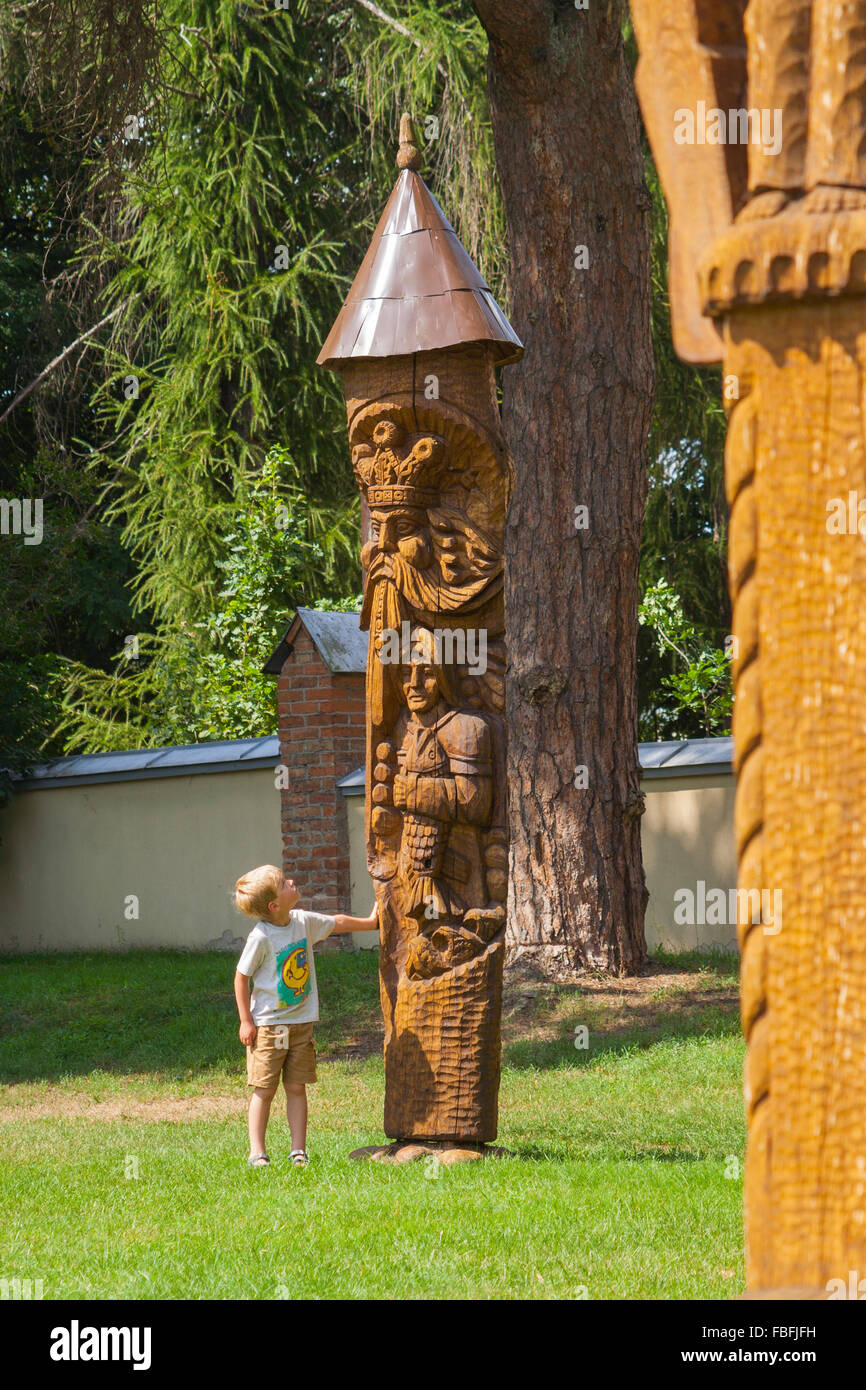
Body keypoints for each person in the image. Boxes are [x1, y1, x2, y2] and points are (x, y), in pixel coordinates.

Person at [232, 865, 378, 1168]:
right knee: (265, 1089)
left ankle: (298, 1150)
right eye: (284, 883)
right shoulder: (261, 937)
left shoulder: (302, 922)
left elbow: (336, 922)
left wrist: (370, 923)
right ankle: (257, 1151)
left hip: (301, 1026)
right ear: (274, 905)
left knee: (297, 1087)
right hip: (269, 1028)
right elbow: (241, 977)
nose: (291, 881)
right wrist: (246, 1020)